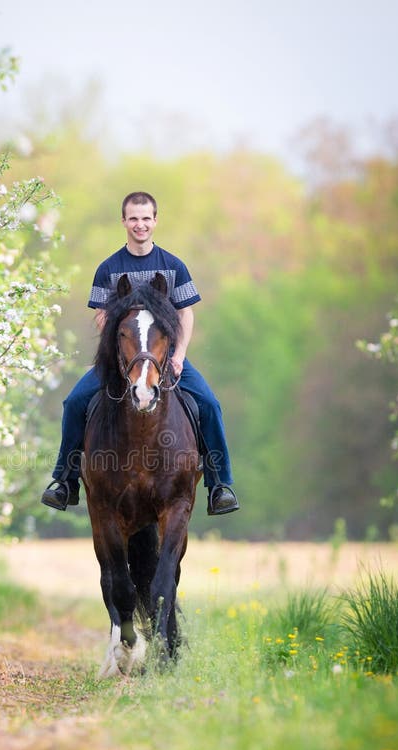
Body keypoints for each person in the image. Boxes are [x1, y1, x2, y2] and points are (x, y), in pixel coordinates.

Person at [41, 191, 239, 516]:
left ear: (155, 221)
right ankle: (65, 481)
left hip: (166, 358)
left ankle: (219, 485)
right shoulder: (108, 268)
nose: (140, 224)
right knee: (74, 402)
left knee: (210, 404)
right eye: (133, 218)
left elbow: (186, 313)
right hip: (122, 362)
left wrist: (179, 355)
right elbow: (103, 315)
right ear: (124, 221)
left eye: (146, 218)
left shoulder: (174, 266)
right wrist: (117, 358)